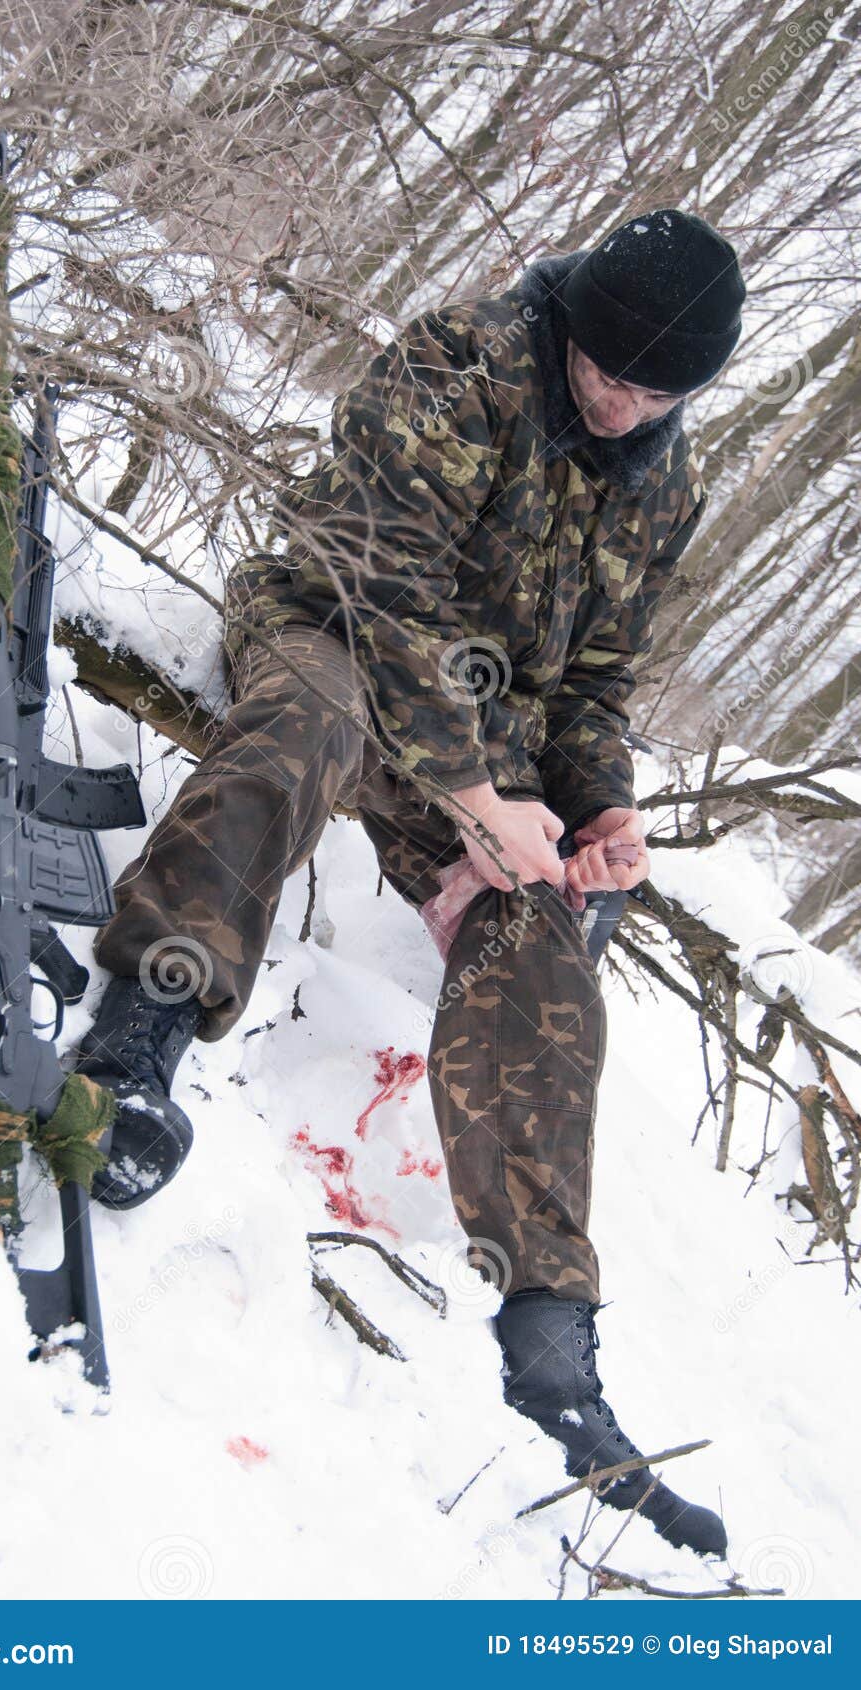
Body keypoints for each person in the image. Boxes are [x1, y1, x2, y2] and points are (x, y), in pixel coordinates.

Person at [75, 208, 745, 1557]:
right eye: (603, 373)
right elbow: (380, 581)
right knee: (301, 731)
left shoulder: (665, 485)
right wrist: (476, 797)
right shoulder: (466, 359)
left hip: (483, 750)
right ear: (575, 326)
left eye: (649, 392)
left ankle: (549, 1324)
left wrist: (598, 803)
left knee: (546, 920)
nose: (616, 405)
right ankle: (139, 1036)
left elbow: (598, 684)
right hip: (326, 628)